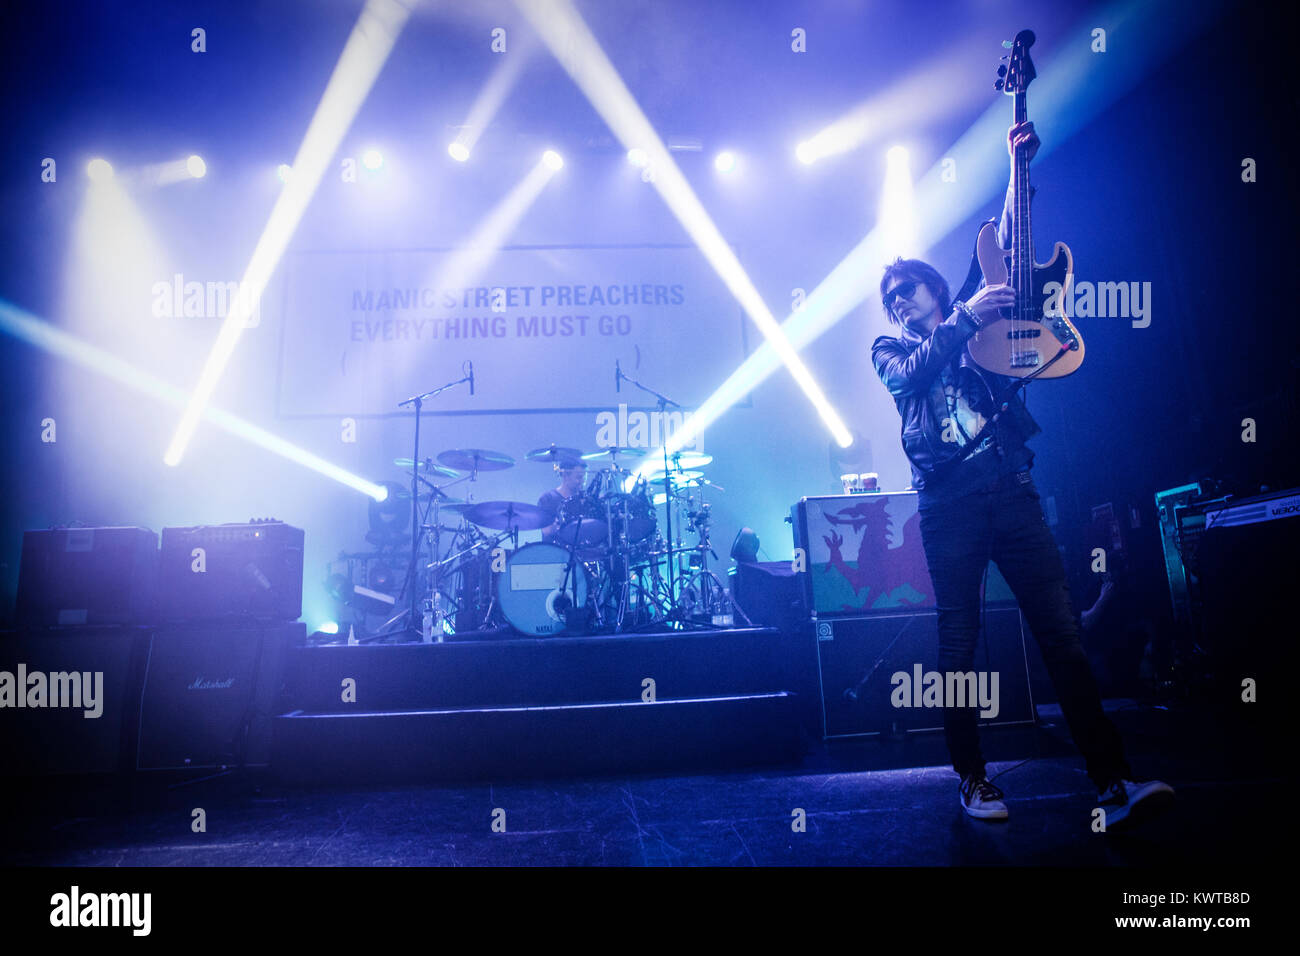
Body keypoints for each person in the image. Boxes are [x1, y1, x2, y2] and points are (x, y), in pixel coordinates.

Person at [870, 121, 1173, 827]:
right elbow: (909, 376)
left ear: (933, 289)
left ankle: (1112, 784)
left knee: (1062, 635)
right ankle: (973, 780)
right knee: (958, 643)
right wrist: (960, 321)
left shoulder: (980, 311)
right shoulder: (893, 348)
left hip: (1011, 489)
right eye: (890, 300)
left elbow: (1009, 240)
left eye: (907, 292)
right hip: (946, 505)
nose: (898, 305)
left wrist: (1015, 163)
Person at [537, 457, 588, 545]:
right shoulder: (548, 499)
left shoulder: (586, 500)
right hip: (556, 552)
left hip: (581, 552)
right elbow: (547, 531)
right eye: (579, 477)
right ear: (565, 476)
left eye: (585, 477)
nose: (582, 481)